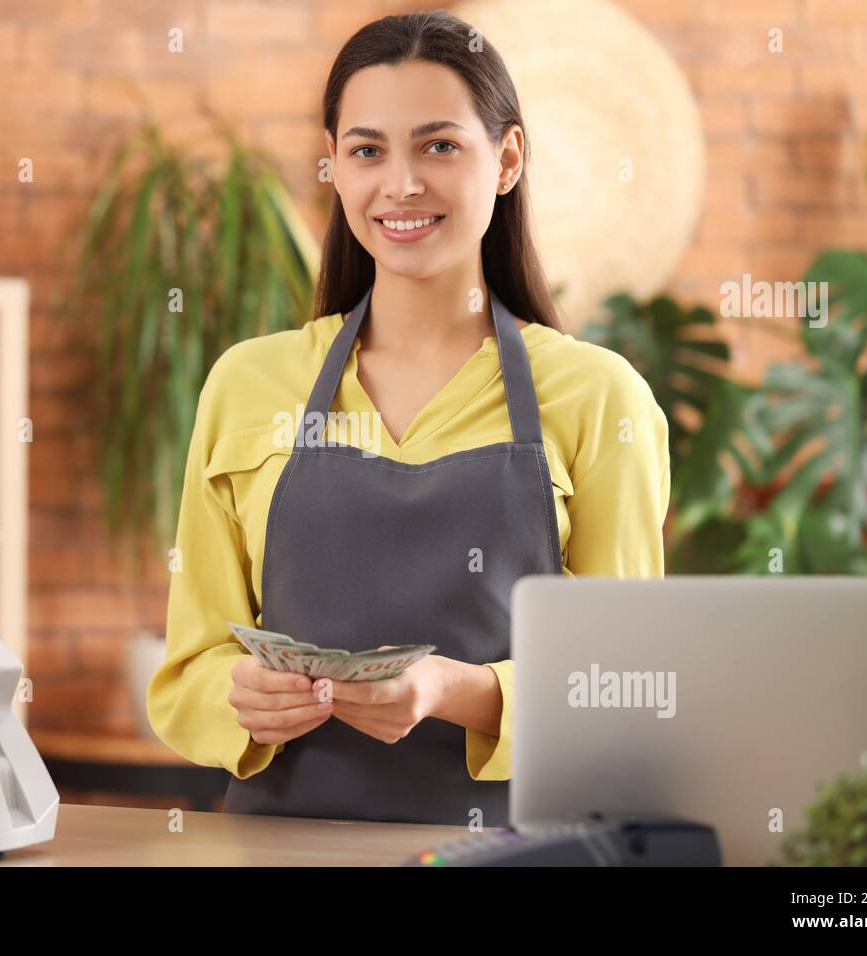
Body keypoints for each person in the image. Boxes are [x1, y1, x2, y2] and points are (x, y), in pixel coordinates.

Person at [148, 10, 669, 827]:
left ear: (507, 159)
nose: (400, 184)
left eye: (438, 145)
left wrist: (456, 692)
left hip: (515, 848)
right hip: (282, 846)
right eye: (366, 151)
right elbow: (188, 671)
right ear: (332, 166)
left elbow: (630, 684)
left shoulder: (600, 399)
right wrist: (237, 694)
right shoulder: (247, 385)